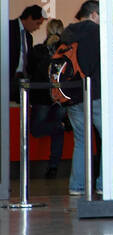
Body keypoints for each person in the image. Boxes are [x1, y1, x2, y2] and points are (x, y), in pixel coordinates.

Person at [62, 1, 103, 197]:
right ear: (94, 14)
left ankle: (77, 186)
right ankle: (105, 183)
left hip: (72, 94)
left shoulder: (68, 32)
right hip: (95, 93)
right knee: (112, 139)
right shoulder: (97, 32)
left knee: (81, 140)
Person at [26, 17, 66, 178]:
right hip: (60, 98)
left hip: (41, 97)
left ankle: (59, 127)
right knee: (58, 132)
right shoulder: (66, 50)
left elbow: (29, 71)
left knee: (35, 130)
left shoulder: (38, 50)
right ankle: (53, 166)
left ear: (47, 30)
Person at [8, 3, 45, 102]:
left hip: (22, 80)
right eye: (38, 23)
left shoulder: (28, 37)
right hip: (7, 78)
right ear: (29, 18)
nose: (38, 28)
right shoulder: (8, 28)